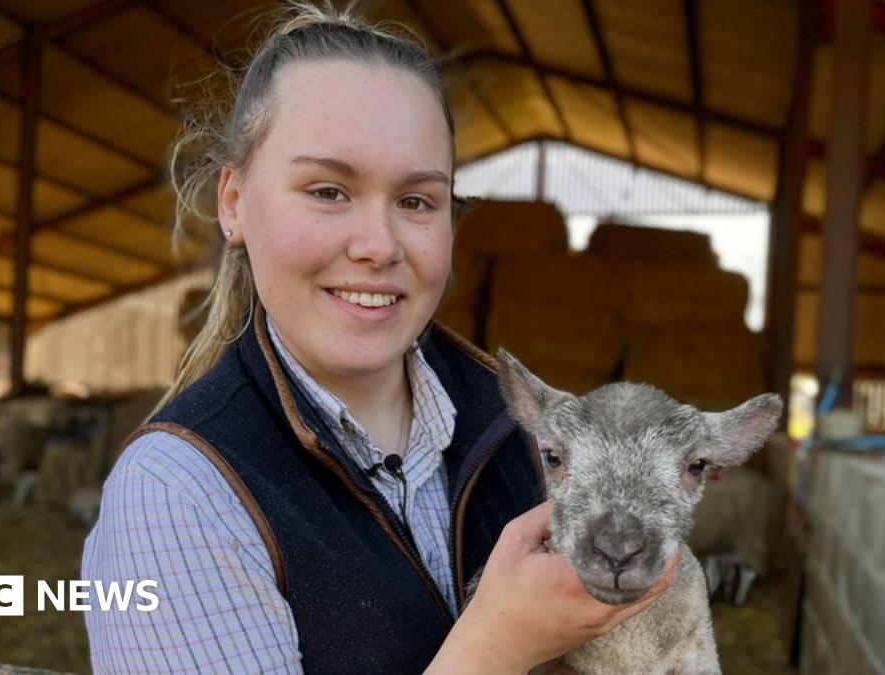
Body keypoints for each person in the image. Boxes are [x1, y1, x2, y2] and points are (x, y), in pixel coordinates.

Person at [81, 4, 674, 673]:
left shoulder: (532, 435)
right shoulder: (178, 495)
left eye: (417, 201)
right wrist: (498, 645)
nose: (378, 245)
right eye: (329, 190)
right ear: (234, 202)